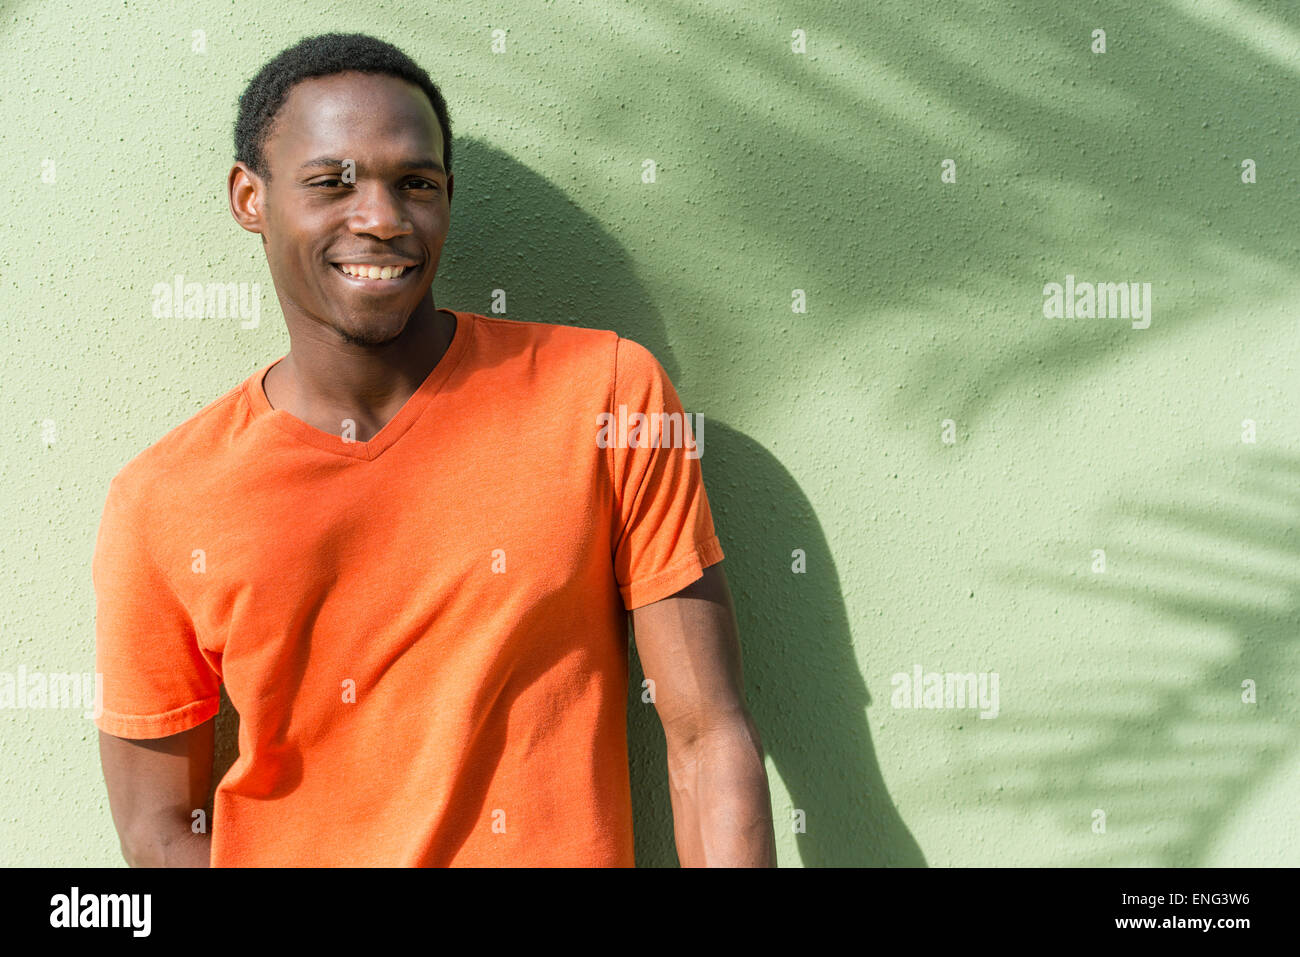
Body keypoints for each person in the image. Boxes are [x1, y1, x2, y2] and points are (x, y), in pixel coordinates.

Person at [92, 32, 776, 867]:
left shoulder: (604, 393)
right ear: (250, 198)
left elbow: (708, 736)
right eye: (331, 182)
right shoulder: (161, 498)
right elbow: (158, 828)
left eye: (415, 183)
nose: (381, 219)